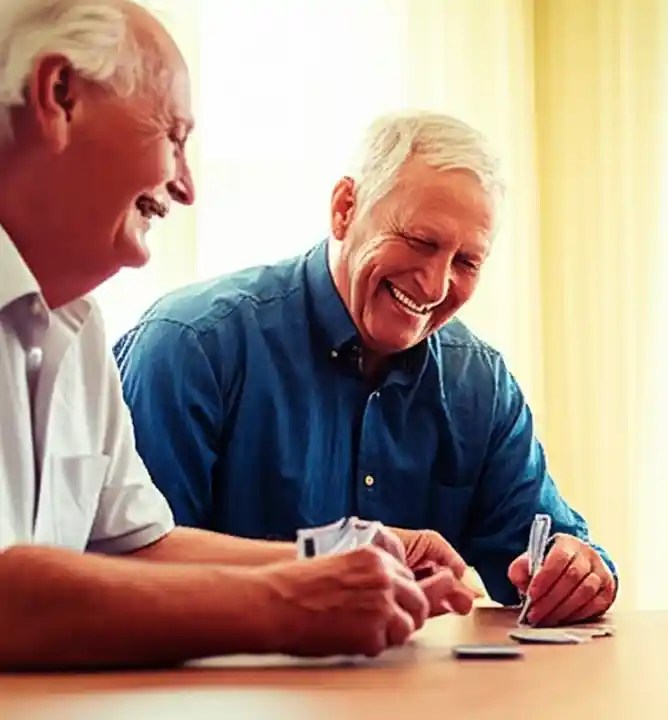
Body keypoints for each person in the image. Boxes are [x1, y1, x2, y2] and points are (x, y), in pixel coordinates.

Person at [0, 0, 478, 671]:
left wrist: (347, 562)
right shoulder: (184, 337)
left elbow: (138, 546)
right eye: (173, 135)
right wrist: (285, 602)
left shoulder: (74, 327)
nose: (187, 185)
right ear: (60, 97)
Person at [113, 111, 617, 628]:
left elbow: (548, 543)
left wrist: (578, 572)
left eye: (466, 262)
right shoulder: (189, 346)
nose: (436, 286)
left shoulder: (479, 383)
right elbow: (133, 570)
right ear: (344, 209)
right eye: (422, 242)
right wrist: (330, 560)